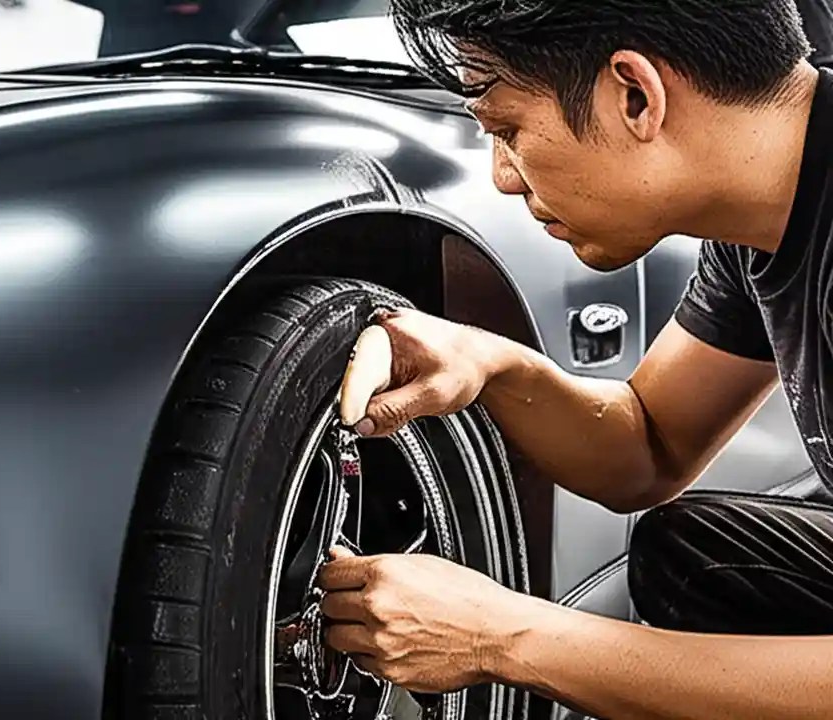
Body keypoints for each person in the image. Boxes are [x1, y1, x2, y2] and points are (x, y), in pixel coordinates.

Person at [317, 1, 833, 718]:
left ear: (635, 95)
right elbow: (648, 445)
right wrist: (490, 365)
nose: (503, 175)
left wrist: (507, 639)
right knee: (694, 556)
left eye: (508, 130)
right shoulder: (765, 217)